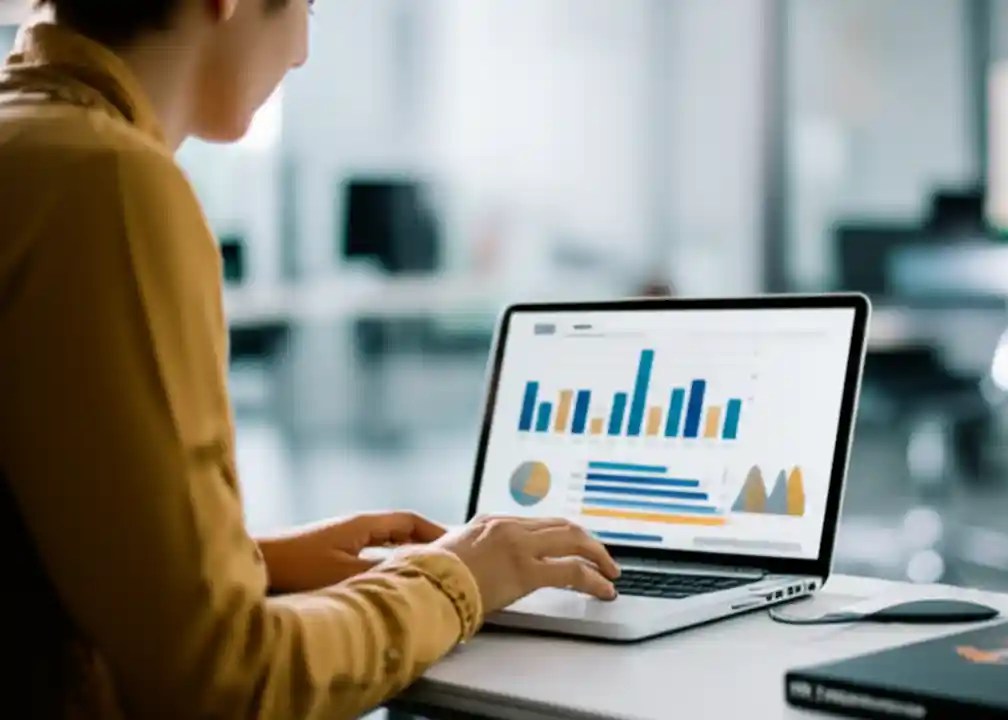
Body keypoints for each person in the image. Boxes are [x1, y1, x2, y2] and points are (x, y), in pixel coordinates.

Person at [0, 1, 620, 718]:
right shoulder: (105, 182)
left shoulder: (28, 149)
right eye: (308, 7)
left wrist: (254, 563)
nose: (299, 51)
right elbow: (229, 679)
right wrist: (456, 579)